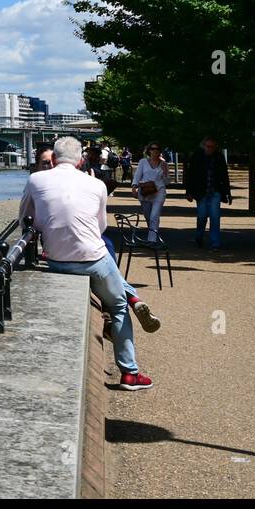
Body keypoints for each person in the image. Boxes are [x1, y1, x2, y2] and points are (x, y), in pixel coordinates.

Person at [20, 136, 153, 389]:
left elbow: (26, 220)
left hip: (58, 260)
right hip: (94, 259)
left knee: (105, 277)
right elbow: (100, 226)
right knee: (118, 306)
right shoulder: (97, 185)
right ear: (81, 160)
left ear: (55, 159)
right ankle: (130, 373)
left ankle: (131, 296)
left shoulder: (35, 180)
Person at [23, 147, 160, 334]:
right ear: (37, 166)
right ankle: (129, 302)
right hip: (73, 247)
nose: (50, 165)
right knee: (102, 260)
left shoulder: (55, 182)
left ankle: (113, 310)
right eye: (45, 163)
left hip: (74, 247)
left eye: (51, 161)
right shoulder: (40, 184)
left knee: (104, 252)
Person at [183, 136, 233, 249]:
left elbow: (225, 176)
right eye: (208, 146)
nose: (210, 149)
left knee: (215, 217)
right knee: (202, 216)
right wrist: (189, 192)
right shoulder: (197, 156)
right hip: (201, 192)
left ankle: (215, 243)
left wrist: (228, 193)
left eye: (212, 147)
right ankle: (199, 236)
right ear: (203, 146)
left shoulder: (219, 157)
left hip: (215, 191)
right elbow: (190, 175)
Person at [131, 142, 168, 242]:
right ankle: (152, 231)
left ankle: (152, 240)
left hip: (159, 192)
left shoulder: (164, 163)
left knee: (154, 216)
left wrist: (165, 172)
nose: (155, 151)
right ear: (149, 150)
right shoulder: (143, 162)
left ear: (160, 151)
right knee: (148, 216)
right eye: (152, 149)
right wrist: (134, 187)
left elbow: (167, 182)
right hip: (145, 192)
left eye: (157, 149)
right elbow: (137, 175)